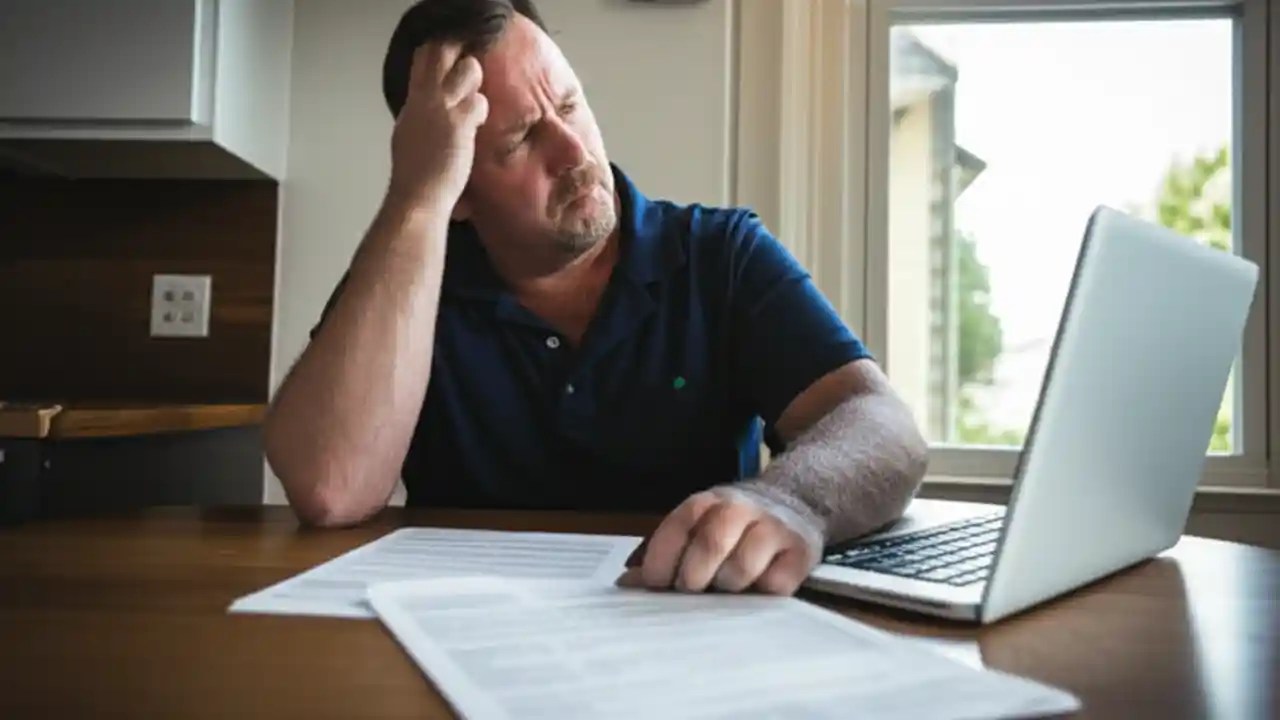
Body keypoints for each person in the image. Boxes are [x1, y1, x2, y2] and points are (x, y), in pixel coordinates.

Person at [264, 0, 928, 597]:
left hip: (689, 624)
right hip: (463, 636)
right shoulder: (409, 280)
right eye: (523, 138)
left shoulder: (719, 254)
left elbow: (881, 424)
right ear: (456, 184)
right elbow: (331, 488)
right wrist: (415, 199)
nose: (576, 150)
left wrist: (792, 500)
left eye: (571, 104)